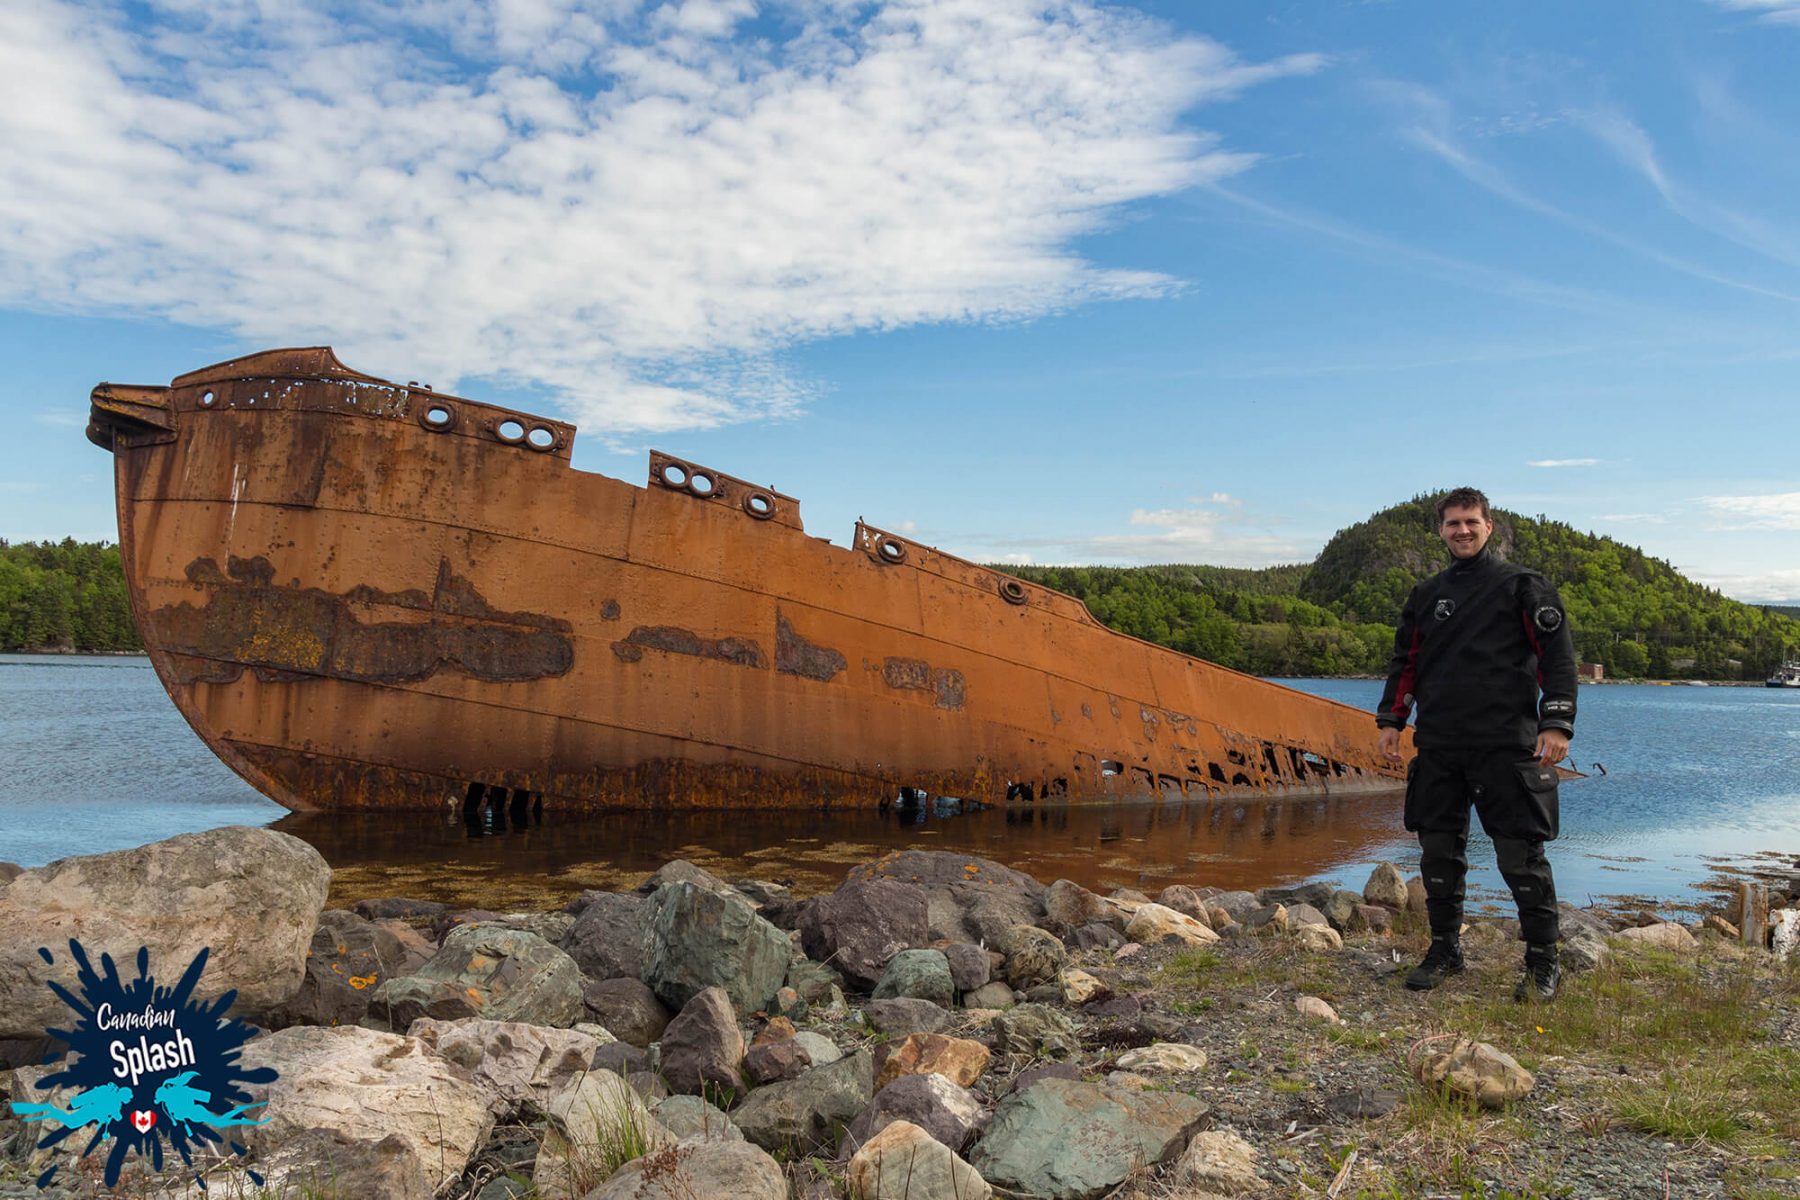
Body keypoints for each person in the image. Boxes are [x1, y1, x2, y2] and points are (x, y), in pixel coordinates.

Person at [1376, 487, 1577, 1002]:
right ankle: (1445, 949)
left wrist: (1556, 722)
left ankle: (1542, 961)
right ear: (1440, 531)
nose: (1462, 531)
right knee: (1438, 853)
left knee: (1520, 857)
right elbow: (1406, 664)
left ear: (1490, 527)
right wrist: (1392, 720)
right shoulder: (1426, 595)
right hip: (1441, 743)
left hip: (1506, 744)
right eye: (1452, 524)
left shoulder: (1522, 587)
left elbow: (1557, 657)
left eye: (1471, 522)